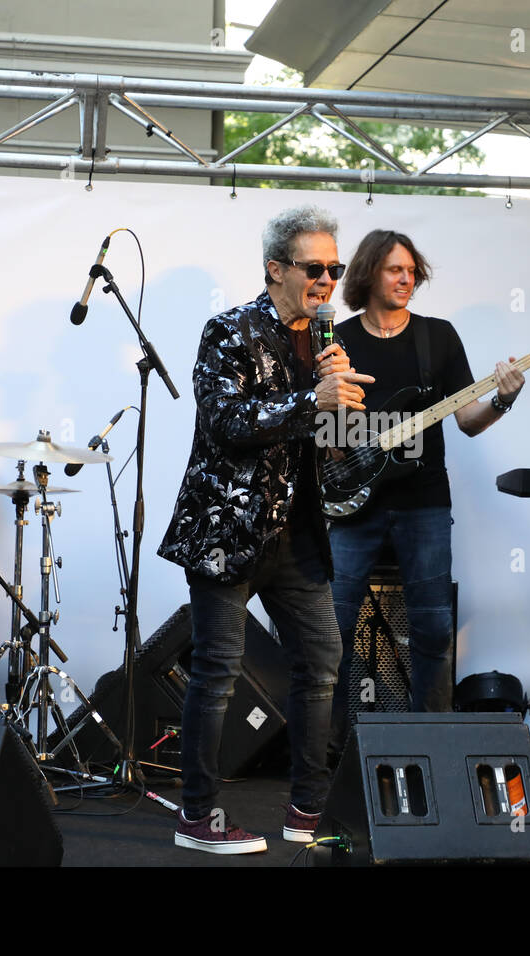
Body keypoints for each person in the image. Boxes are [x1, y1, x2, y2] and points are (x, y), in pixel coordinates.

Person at [157, 205, 374, 854]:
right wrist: (314, 401)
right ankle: (197, 817)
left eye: (335, 269)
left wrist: (347, 431)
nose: (327, 280)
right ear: (275, 268)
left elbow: (328, 449)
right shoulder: (229, 331)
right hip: (229, 530)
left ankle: (307, 810)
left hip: (300, 535)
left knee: (322, 664)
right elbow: (229, 423)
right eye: (315, 268)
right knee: (217, 672)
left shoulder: (330, 342)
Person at [327, 229, 524, 741]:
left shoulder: (437, 338)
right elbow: (323, 429)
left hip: (424, 503)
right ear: (369, 273)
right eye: (396, 269)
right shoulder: (338, 339)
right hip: (351, 503)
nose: (407, 278)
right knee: (332, 627)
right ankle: (329, 746)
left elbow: (468, 420)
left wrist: (502, 399)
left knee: (434, 627)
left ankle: (431, 741)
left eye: (412, 271)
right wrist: (354, 448)